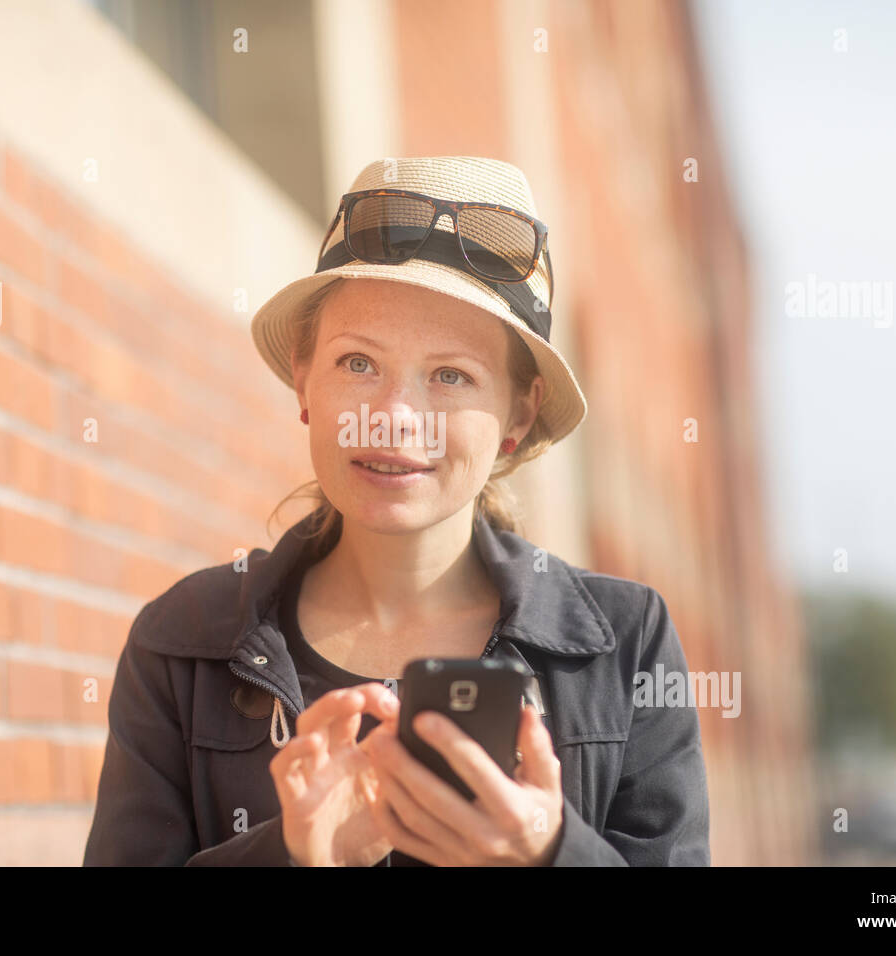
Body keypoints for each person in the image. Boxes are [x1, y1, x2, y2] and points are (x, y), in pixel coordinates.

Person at [83, 156, 710, 866]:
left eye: (451, 376)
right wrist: (293, 856)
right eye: (358, 363)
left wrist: (547, 852)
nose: (393, 418)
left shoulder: (623, 643)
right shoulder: (183, 643)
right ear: (303, 377)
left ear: (518, 412)